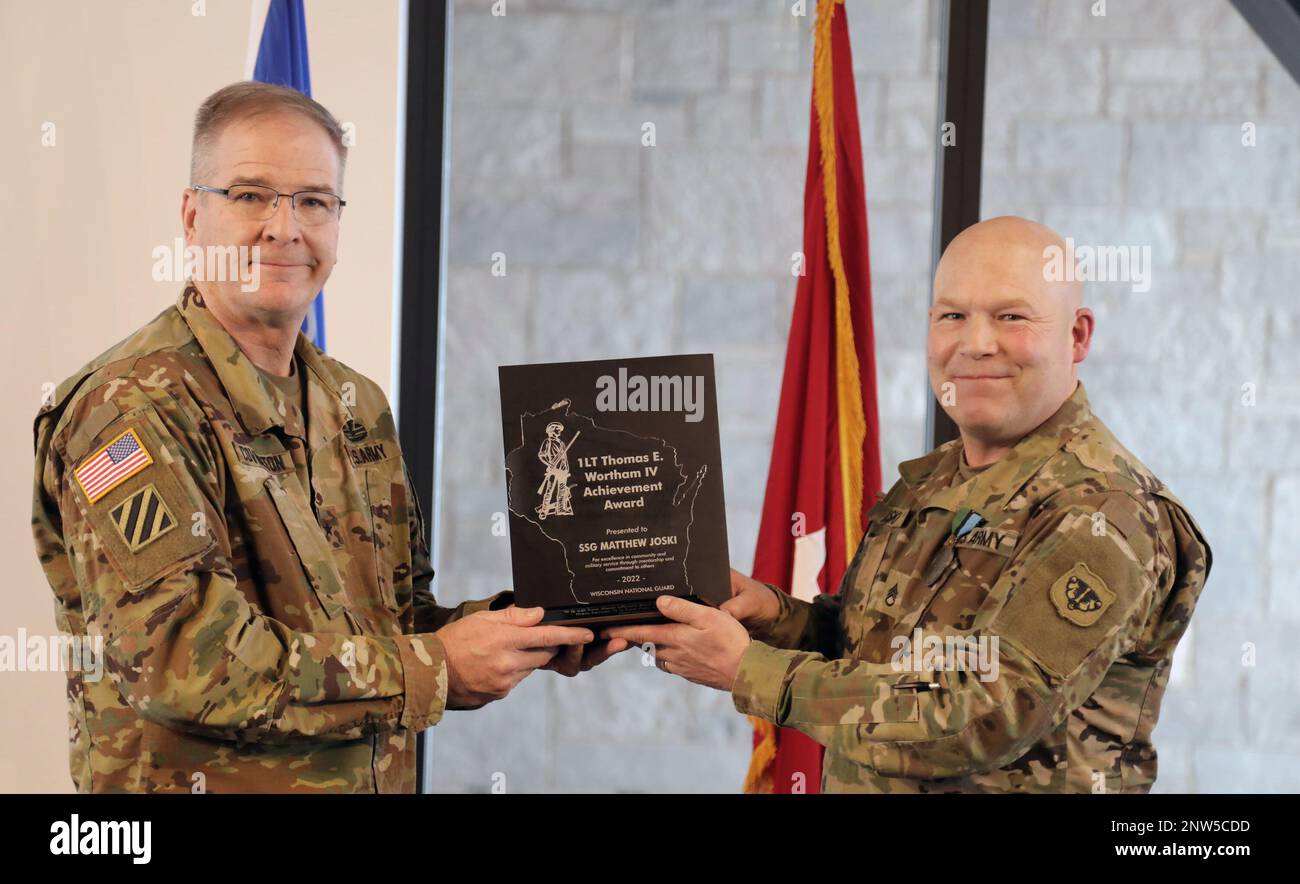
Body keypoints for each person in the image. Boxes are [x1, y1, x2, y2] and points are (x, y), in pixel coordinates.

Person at [30, 81, 623, 794]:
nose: (285, 229)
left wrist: (530, 627)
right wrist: (436, 667)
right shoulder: (128, 410)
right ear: (192, 217)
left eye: (313, 201)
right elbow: (185, 659)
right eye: (250, 195)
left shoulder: (353, 403)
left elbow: (400, 623)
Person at [607, 216, 1212, 793]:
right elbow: (872, 654)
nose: (976, 344)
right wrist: (770, 617)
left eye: (1011, 316)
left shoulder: (1104, 511)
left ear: (1077, 335)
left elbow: (978, 717)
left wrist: (749, 670)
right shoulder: (936, 481)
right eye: (953, 315)